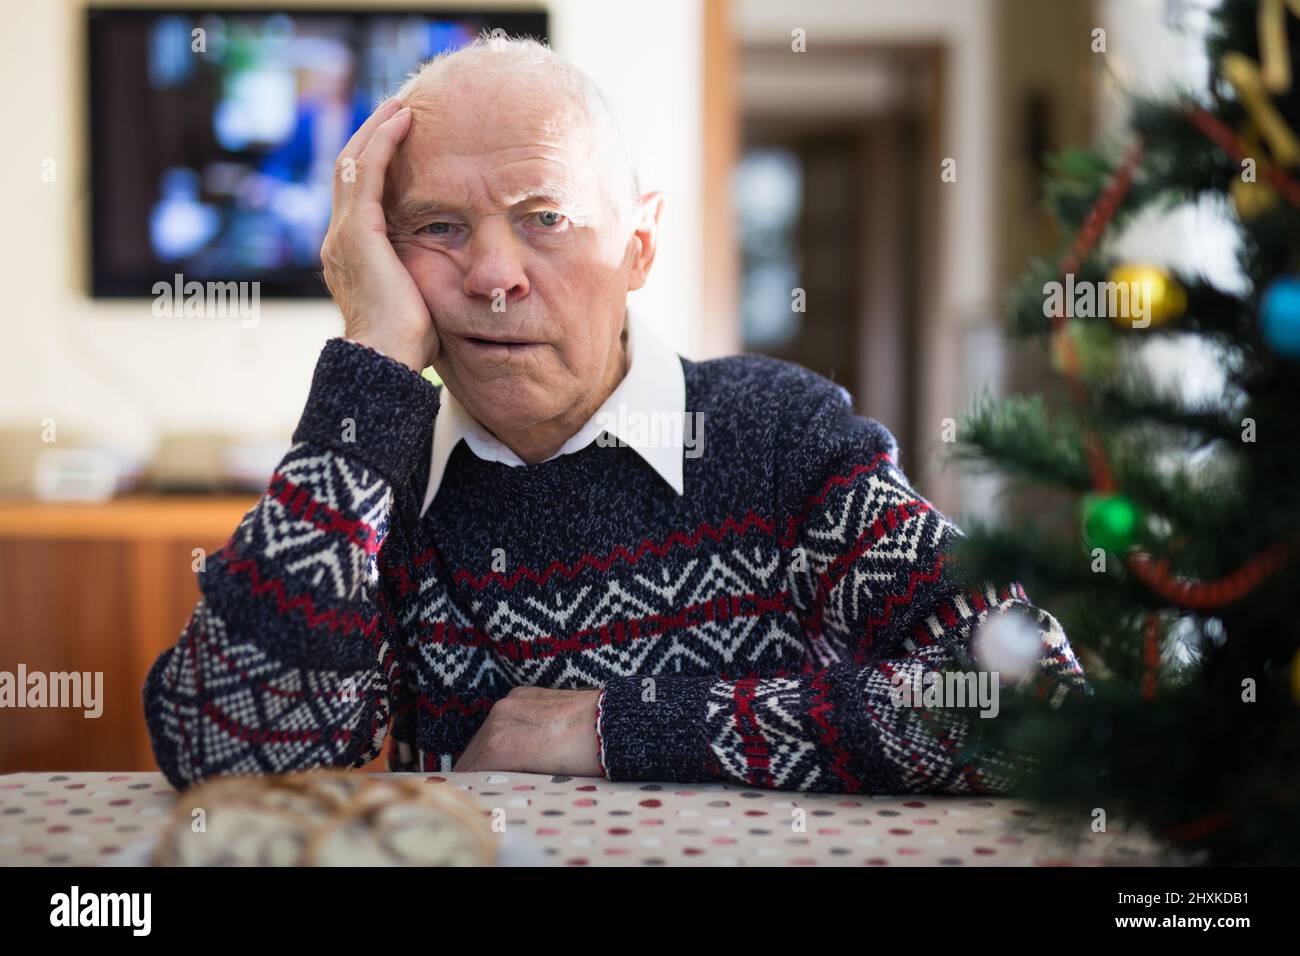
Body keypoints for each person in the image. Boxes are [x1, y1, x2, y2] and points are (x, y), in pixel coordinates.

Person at [144, 34, 1088, 792]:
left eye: (544, 218)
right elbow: (229, 761)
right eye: (437, 227)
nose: (493, 277)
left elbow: (1032, 701)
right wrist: (370, 358)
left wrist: (607, 726)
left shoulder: (781, 439)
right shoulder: (370, 476)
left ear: (638, 247)